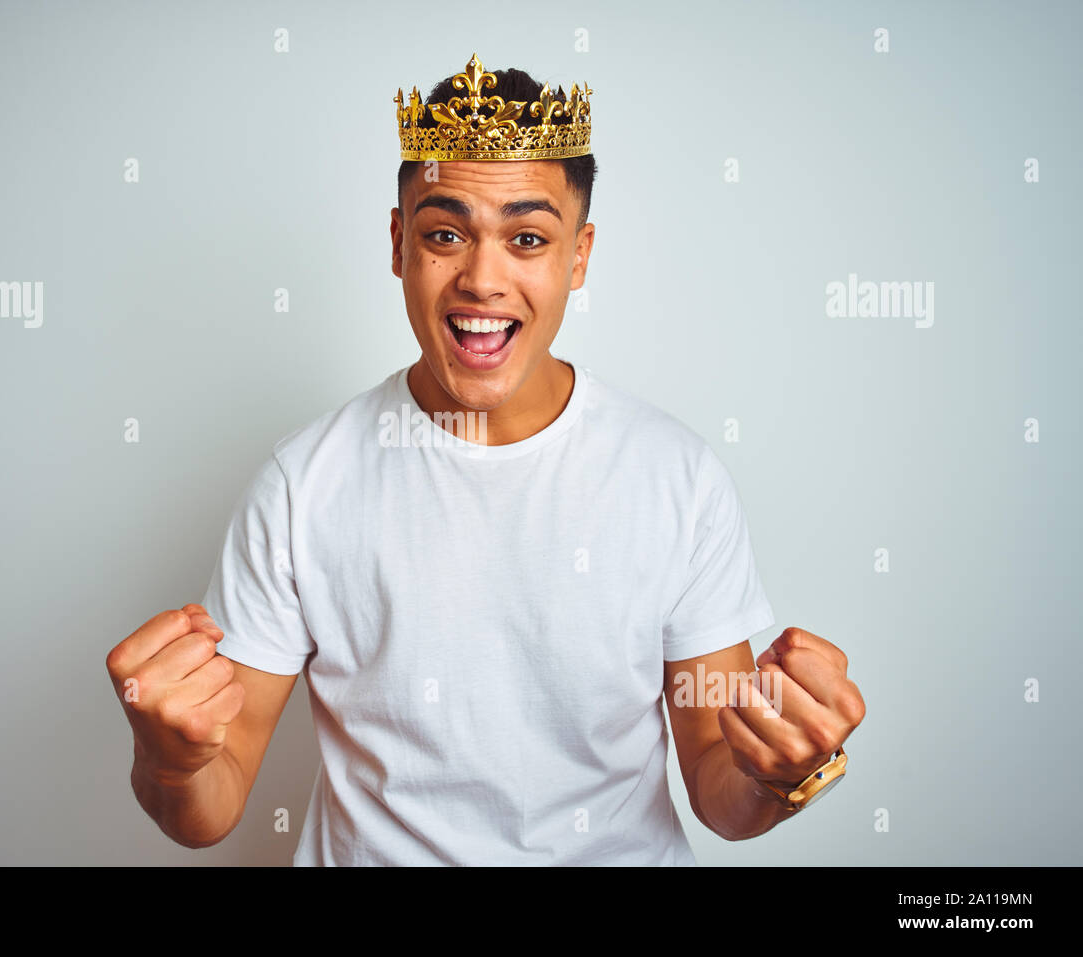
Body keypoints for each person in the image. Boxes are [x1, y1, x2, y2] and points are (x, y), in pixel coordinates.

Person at [105, 53, 866, 865]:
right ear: (399, 244)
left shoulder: (675, 477)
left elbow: (721, 790)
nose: (482, 278)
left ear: (579, 256)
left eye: (528, 238)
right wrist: (169, 760)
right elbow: (208, 805)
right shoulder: (302, 486)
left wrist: (781, 770)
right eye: (444, 233)